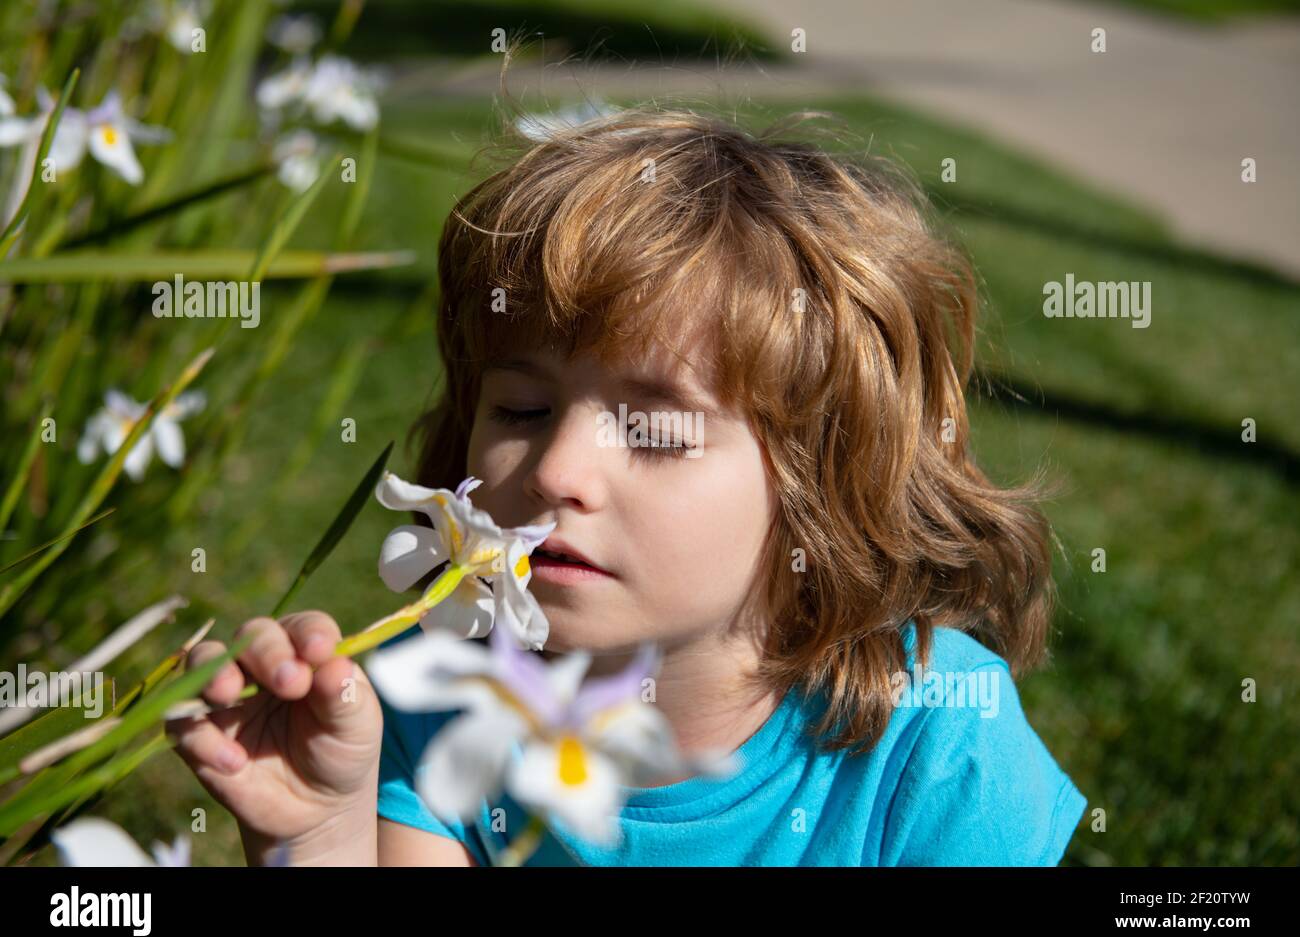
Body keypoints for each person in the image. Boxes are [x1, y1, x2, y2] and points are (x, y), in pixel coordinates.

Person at [166, 101, 1087, 866]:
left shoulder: (934, 742)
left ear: (824, 480)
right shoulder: (436, 705)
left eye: (654, 430)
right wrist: (322, 832)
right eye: (521, 410)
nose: (558, 471)